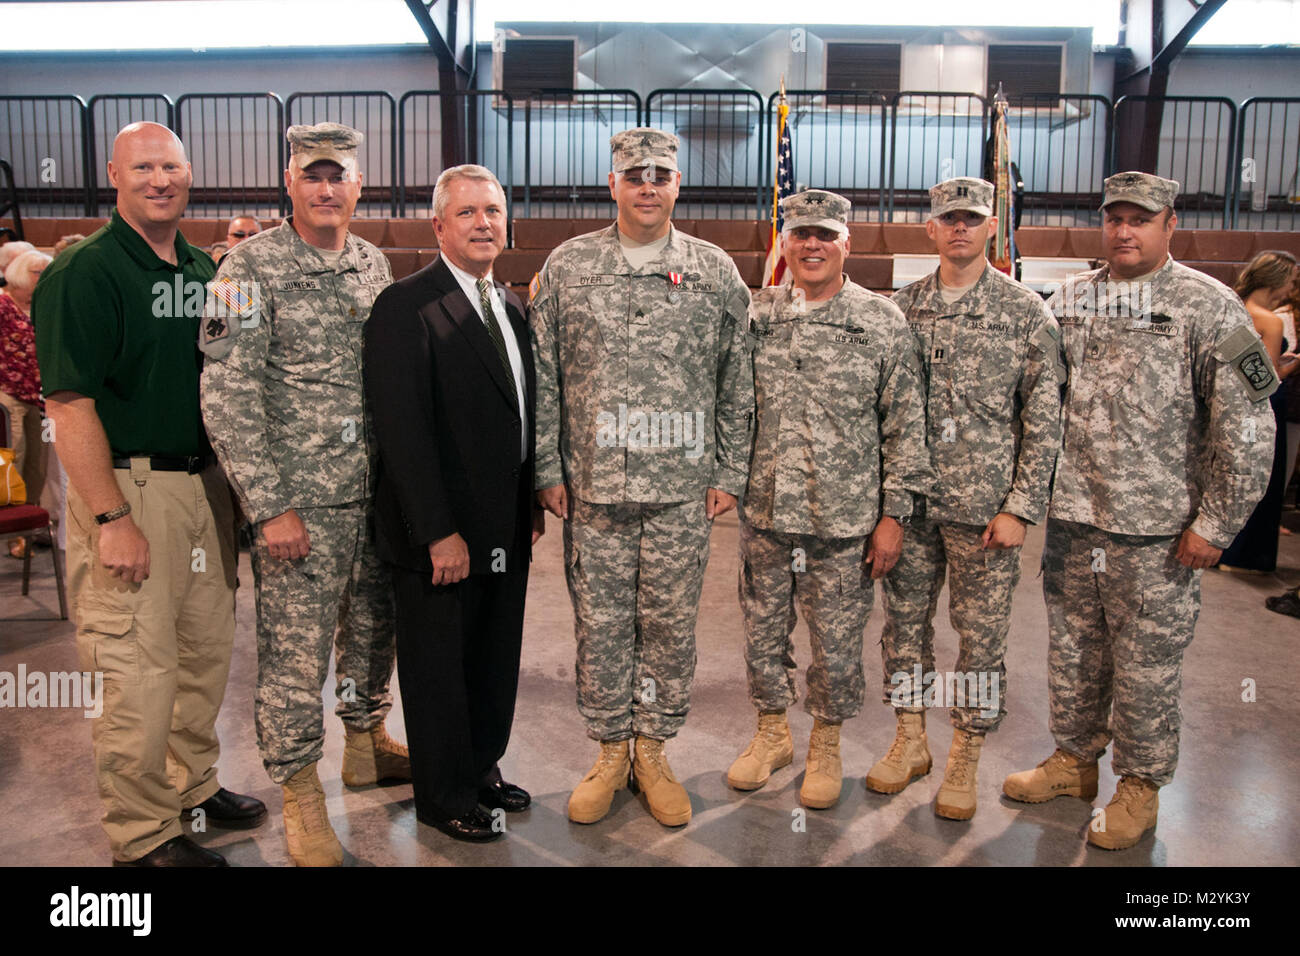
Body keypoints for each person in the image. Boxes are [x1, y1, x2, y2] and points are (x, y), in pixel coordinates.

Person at [1003, 172, 1278, 850]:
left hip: (1158, 533)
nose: (1125, 230)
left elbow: (1252, 416)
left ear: (1170, 224)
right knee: (1072, 654)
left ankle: (1141, 786)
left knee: (1147, 666)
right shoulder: (1069, 300)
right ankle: (1072, 761)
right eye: (1115, 217)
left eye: (1141, 219)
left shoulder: (1215, 308)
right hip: (1074, 522)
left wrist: (1217, 522)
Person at [33, 121, 263, 867]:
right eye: (143, 167)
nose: (159, 179)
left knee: (201, 654)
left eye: (170, 165)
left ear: (189, 172)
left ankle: (190, 790)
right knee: (135, 666)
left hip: (204, 488)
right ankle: (143, 836)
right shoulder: (87, 273)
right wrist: (109, 516)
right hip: (132, 488)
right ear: (114, 174)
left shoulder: (201, 268)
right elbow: (68, 406)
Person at [530, 127, 755, 827]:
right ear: (613, 183)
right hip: (593, 488)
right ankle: (607, 751)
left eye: (661, 174)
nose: (648, 186)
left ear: (677, 184)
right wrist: (545, 464)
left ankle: (653, 752)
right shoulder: (568, 267)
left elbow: (736, 378)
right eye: (635, 175)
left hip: (680, 493)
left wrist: (729, 469)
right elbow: (543, 376)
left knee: (667, 626)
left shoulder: (715, 271)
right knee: (600, 626)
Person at [199, 122, 405, 867]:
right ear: (290, 184)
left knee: (372, 633)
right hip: (300, 510)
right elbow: (227, 396)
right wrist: (268, 503)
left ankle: (363, 744)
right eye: (312, 176)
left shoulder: (371, 262)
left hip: (374, 499)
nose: (326, 189)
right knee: (294, 658)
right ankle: (300, 793)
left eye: (338, 176)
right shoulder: (246, 270)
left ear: (358, 185)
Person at [726, 189, 930, 810]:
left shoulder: (880, 320)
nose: (811, 245)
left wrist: (895, 516)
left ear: (848, 244)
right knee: (762, 634)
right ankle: (771, 734)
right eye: (800, 234)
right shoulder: (758, 314)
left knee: (836, 645)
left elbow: (906, 427)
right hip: (765, 513)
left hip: (841, 521)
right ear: (784, 243)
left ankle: (826, 744)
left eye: (824, 235)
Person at [868, 178, 1064, 820]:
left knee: (980, 642)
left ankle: (966, 756)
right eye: (948, 218)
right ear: (930, 229)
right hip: (912, 508)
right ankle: (910, 741)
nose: (959, 229)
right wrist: (887, 507)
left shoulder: (1024, 311)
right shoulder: (899, 309)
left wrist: (1021, 507)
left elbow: (1044, 418)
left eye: (972, 219)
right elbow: (880, 413)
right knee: (904, 632)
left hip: (985, 514)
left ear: (990, 227)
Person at [365, 165, 540, 843]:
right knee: (441, 667)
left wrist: (526, 508)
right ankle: (442, 795)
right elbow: (402, 431)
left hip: (504, 523)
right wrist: (437, 531)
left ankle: (479, 766)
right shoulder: (406, 305)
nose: (483, 223)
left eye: (493, 211)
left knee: (493, 656)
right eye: (466, 213)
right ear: (438, 225)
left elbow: (516, 415)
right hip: (441, 533)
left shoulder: (512, 304)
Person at [1217, 251, 1299, 572]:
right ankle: (1247, 557)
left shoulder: (1231, 308)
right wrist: (1292, 365)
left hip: (1227, 405)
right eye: (1291, 280)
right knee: (1260, 479)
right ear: (1278, 281)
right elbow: (1267, 379)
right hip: (1261, 408)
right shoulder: (1270, 320)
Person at [2, 250, 52, 558]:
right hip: (7, 395)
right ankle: (11, 535)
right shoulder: (3, 305)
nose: (44, 277)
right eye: (38, 272)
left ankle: (29, 530)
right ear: (21, 273)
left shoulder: (42, 307)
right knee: (14, 460)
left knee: (38, 465)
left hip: (39, 394)